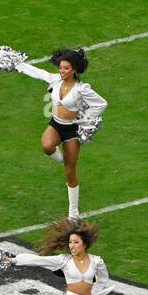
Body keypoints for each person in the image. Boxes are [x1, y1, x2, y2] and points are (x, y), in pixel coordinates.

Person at [12, 47, 107, 218]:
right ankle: (62, 159)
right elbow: (40, 73)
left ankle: (73, 212)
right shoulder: (56, 80)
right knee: (47, 145)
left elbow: (101, 104)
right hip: (56, 124)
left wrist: (85, 119)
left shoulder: (82, 89)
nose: (62, 71)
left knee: (70, 173)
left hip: (72, 130)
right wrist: (19, 65)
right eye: (61, 67)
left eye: (66, 68)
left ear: (74, 70)